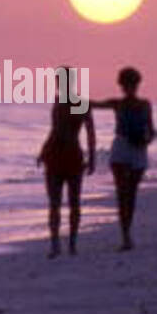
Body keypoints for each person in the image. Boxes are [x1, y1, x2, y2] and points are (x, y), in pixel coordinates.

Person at [90, 66, 154, 252]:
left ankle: (127, 233)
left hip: (138, 148)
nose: (129, 88)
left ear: (137, 85)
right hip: (121, 146)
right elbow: (93, 104)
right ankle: (125, 235)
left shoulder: (145, 104)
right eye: (126, 84)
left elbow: (151, 129)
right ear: (121, 85)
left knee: (131, 193)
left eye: (131, 84)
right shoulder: (117, 103)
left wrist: (146, 141)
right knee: (121, 192)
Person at [36, 67, 95, 258]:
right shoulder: (59, 102)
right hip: (54, 156)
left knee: (73, 202)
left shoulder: (78, 102)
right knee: (55, 203)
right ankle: (56, 244)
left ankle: (71, 243)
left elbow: (89, 131)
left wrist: (92, 157)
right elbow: (55, 130)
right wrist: (42, 151)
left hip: (71, 157)